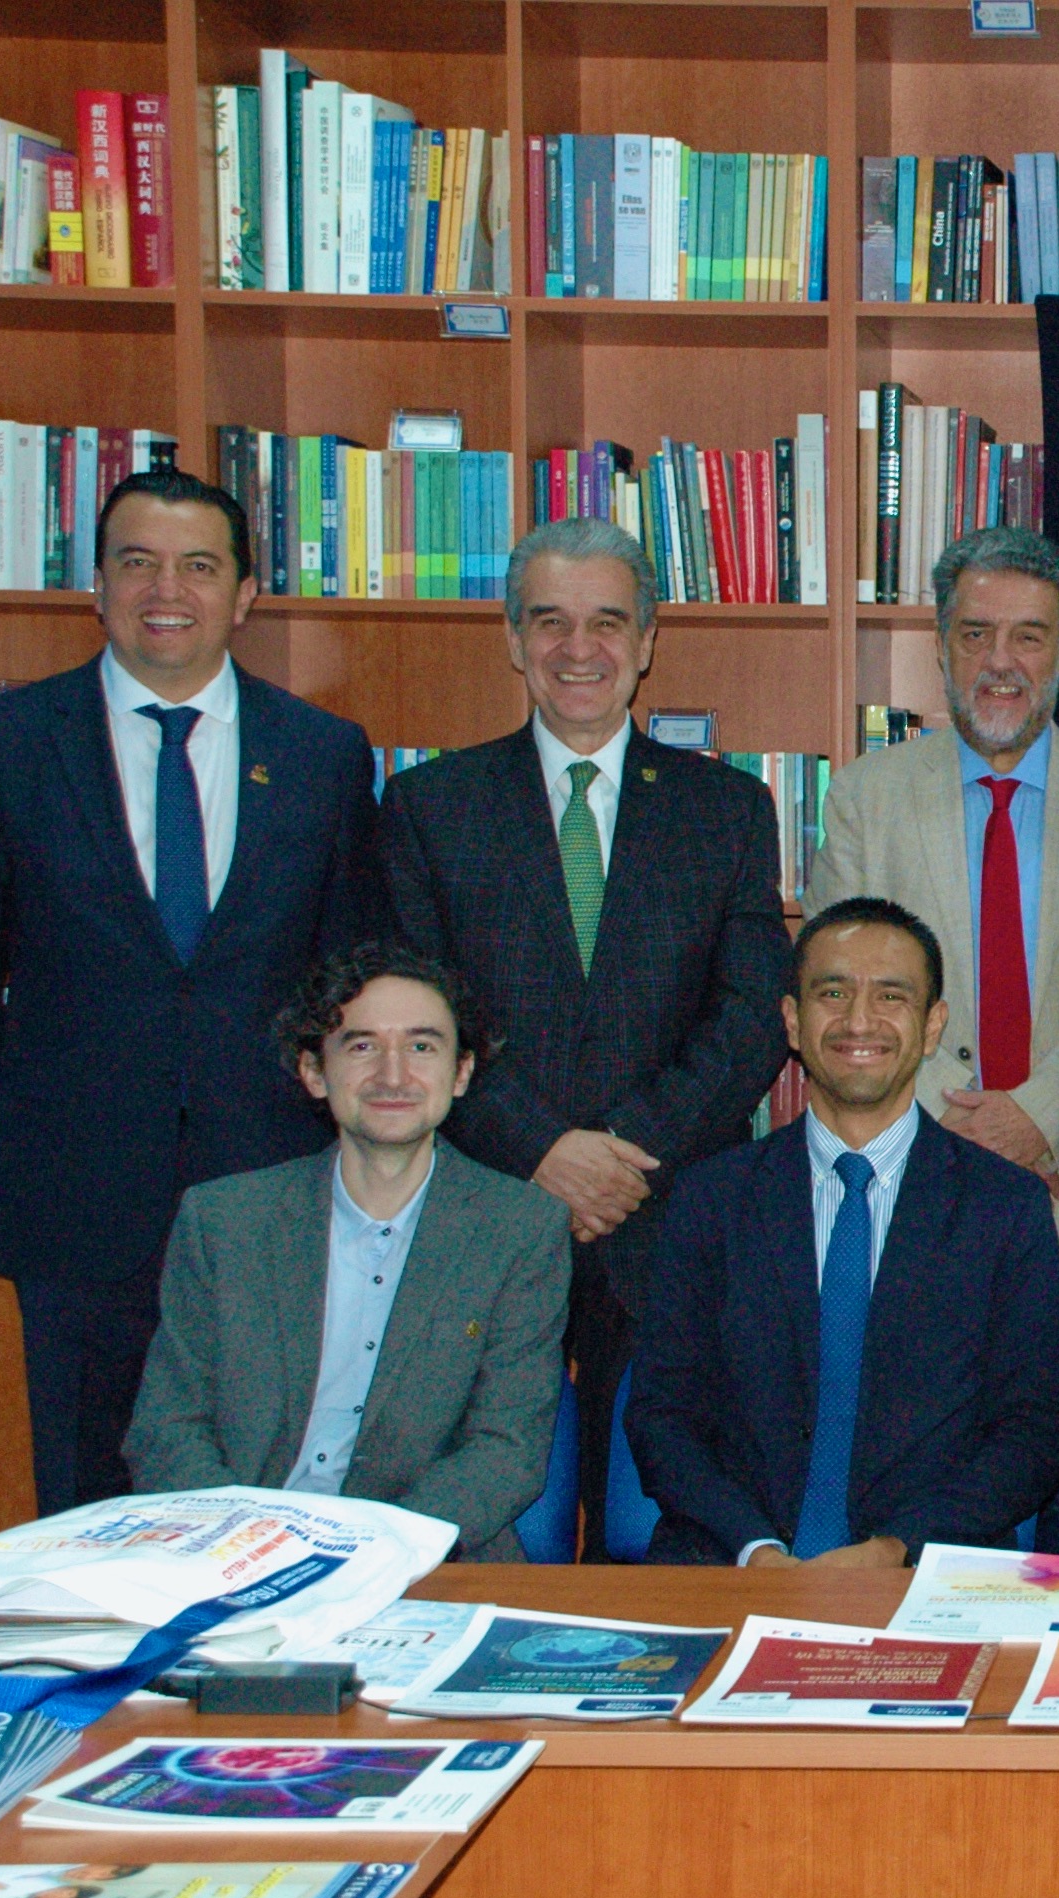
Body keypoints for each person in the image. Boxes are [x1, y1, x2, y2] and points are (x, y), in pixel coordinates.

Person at [0, 468, 382, 1516]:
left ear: (244, 594)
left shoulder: (321, 756)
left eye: (200, 566)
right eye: (139, 561)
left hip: (270, 1199)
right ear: (100, 586)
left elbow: (351, 974)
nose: (169, 588)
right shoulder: (6, 746)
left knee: (265, 1494)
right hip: (78, 1202)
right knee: (86, 1503)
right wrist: (41, 1093)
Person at [379, 516, 788, 1549]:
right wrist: (546, 1152)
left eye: (607, 622)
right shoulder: (429, 805)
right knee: (481, 1530)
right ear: (513, 638)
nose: (578, 648)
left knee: (664, 1536)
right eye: (549, 621)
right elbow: (412, 1016)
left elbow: (750, 1021)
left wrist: (619, 1158)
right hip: (486, 1213)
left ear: (648, 641)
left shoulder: (727, 808)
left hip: (671, 1225)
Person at [805, 526, 1059, 1557]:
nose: (998, 661)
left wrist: (1039, 1116)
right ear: (938, 643)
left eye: (1026, 635)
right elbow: (841, 1000)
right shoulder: (867, 796)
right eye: (973, 633)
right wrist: (954, 1141)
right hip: (919, 1214)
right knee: (938, 1533)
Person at [624, 898, 1059, 1565]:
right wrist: (755, 1549)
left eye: (891, 997)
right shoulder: (711, 1198)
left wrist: (898, 1547)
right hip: (730, 1569)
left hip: (927, 1573)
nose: (858, 1021)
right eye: (832, 993)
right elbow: (665, 1415)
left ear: (931, 1027)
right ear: (792, 1022)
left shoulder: (1003, 1206)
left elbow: (1035, 1430)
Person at [122, 944, 570, 1560]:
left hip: (422, 1563)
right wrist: (240, 1547)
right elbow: (167, 1429)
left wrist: (369, 1554)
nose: (392, 1075)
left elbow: (506, 1451)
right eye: (361, 1046)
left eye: (421, 1047)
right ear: (313, 1071)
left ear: (461, 1073)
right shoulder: (224, 1222)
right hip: (232, 1557)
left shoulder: (520, 1231)